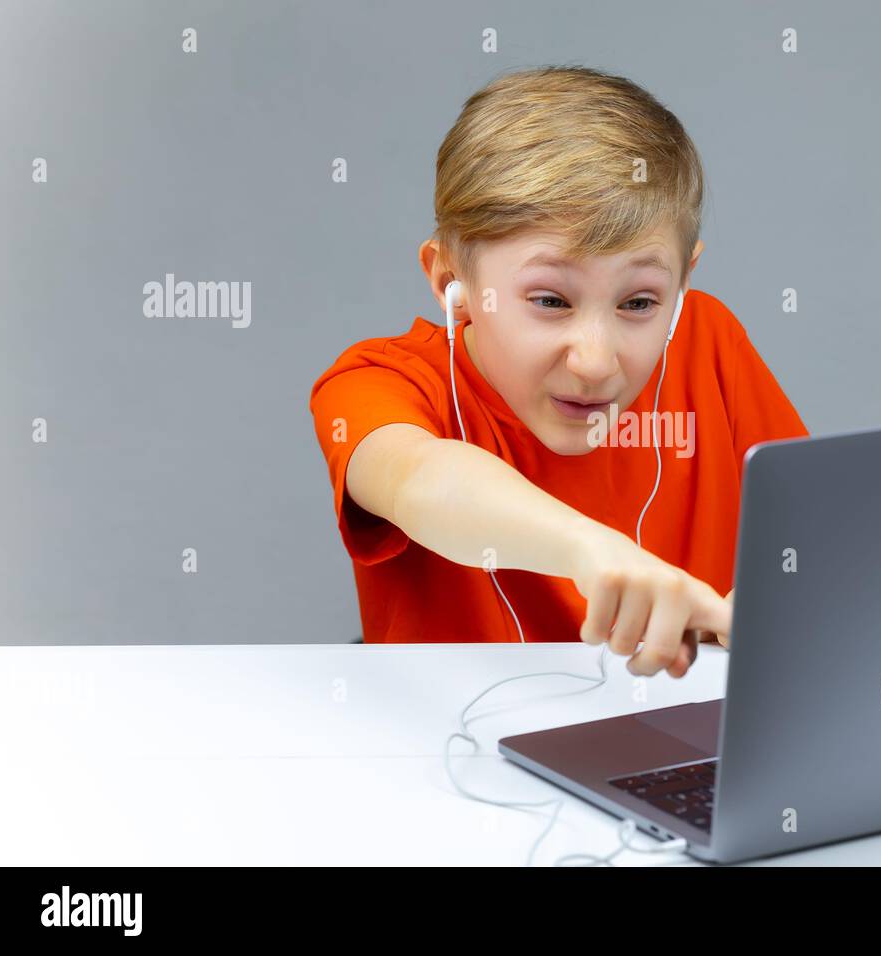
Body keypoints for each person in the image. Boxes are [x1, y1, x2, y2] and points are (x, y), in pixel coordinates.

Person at [309, 66, 808, 678]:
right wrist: (591, 549)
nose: (595, 363)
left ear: (683, 282)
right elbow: (418, 478)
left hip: (671, 749)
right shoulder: (380, 382)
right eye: (550, 301)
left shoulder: (710, 340)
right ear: (450, 283)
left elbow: (819, 526)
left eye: (640, 303)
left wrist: (784, 593)